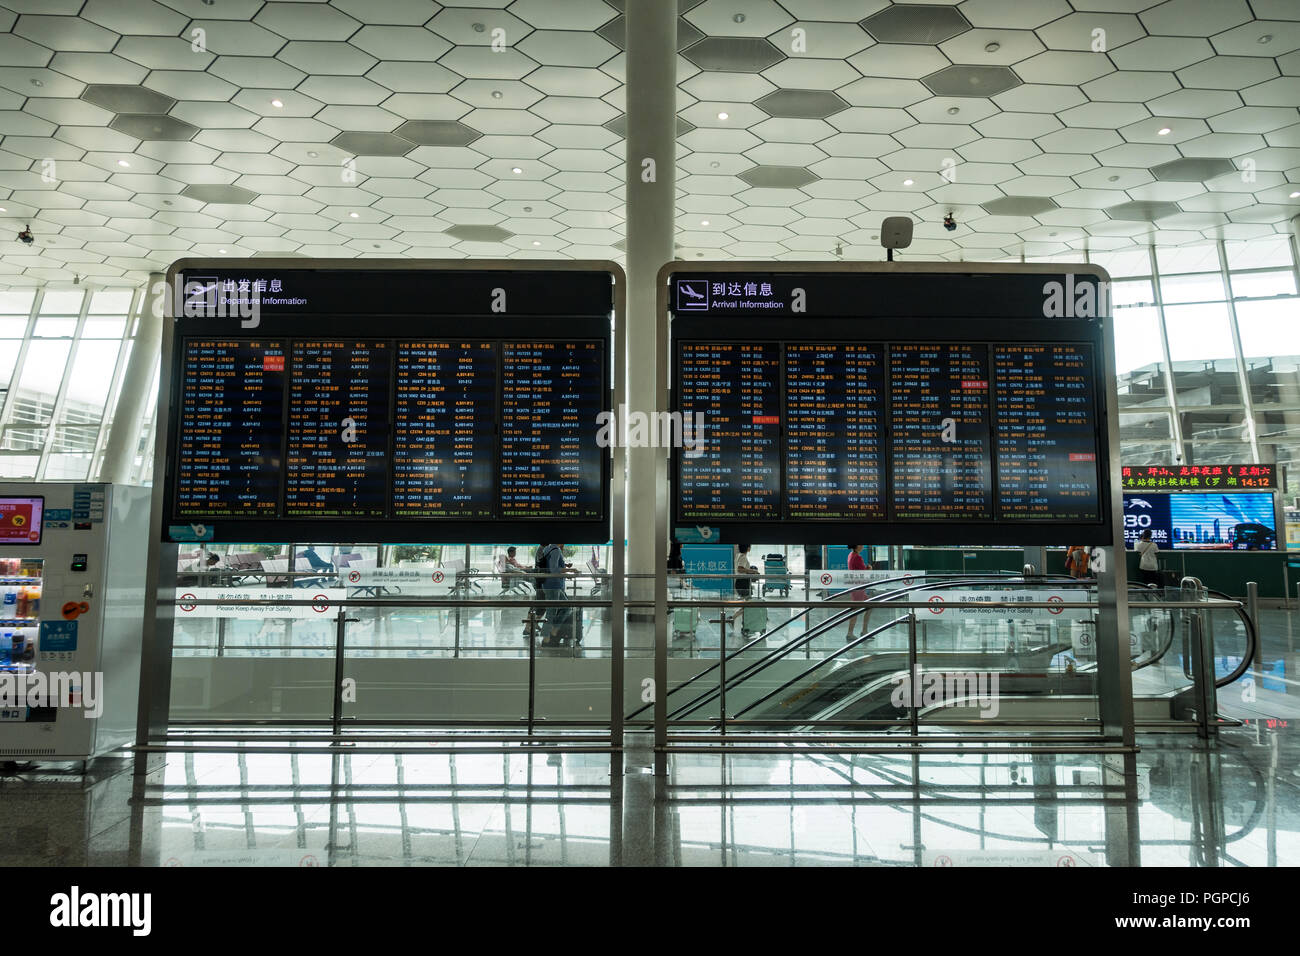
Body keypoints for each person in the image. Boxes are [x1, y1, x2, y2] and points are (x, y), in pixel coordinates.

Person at [535, 543, 576, 646]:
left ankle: (553, 630)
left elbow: (550, 566)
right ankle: (546, 638)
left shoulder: (548, 548)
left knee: (566, 607)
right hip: (553, 585)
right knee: (551, 612)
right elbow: (553, 569)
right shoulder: (556, 550)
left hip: (550, 584)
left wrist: (565, 569)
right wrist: (570, 570)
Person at [844, 544, 870, 641]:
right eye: (860, 544)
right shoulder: (858, 557)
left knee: (870, 605)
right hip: (858, 587)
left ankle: (864, 631)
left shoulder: (851, 555)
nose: (862, 546)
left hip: (856, 586)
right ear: (856, 546)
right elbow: (863, 573)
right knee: (855, 610)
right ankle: (850, 633)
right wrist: (869, 569)